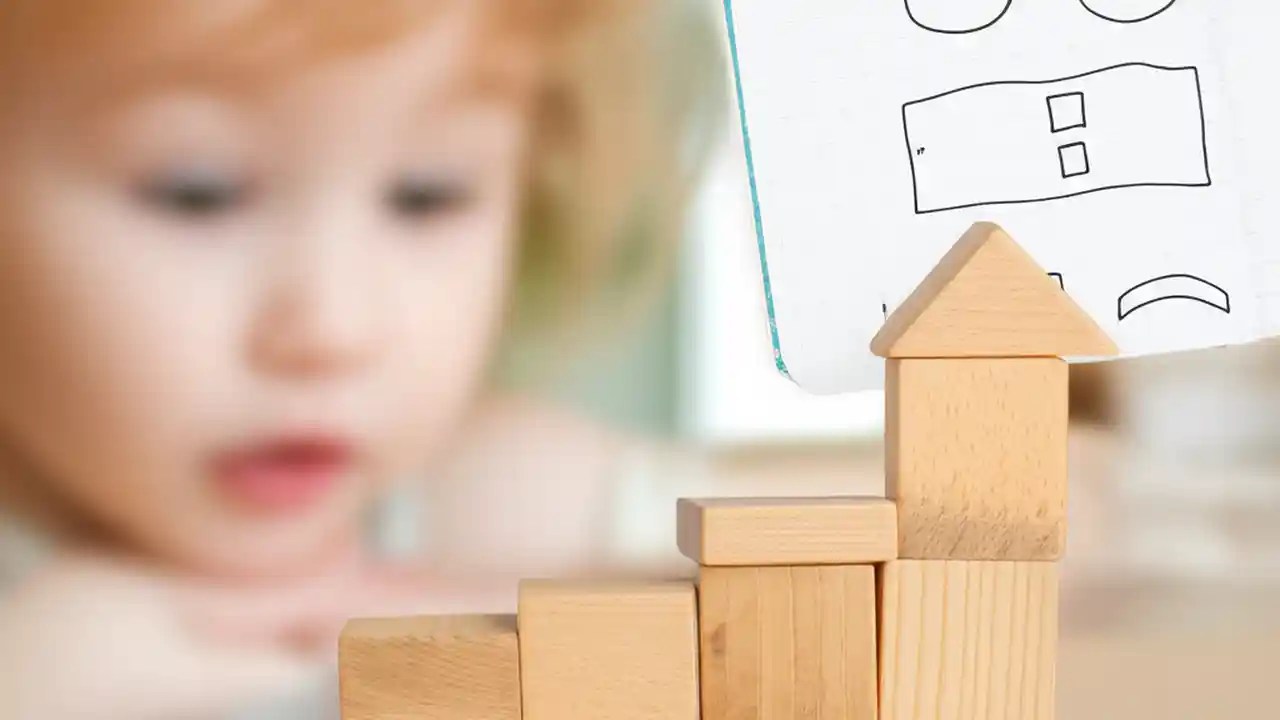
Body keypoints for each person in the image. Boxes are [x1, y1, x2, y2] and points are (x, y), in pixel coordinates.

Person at [0, 1, 721, 716]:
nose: (334, 330)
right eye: (199, 192)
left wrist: (519, 625)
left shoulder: (480, 498)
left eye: (426, 194)